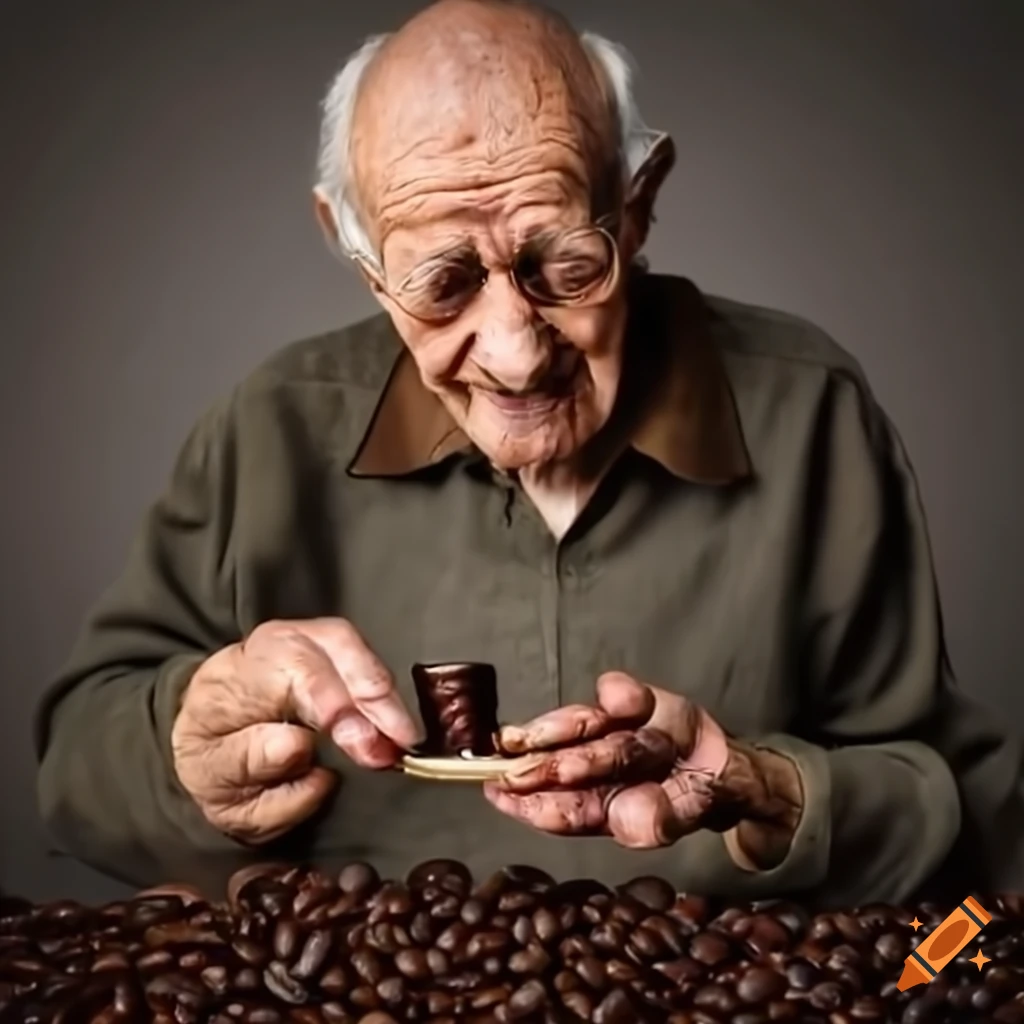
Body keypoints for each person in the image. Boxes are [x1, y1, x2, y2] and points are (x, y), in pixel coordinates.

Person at [34, 0, 1024, 907]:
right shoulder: (269, 426)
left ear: (635, 205)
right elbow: (78, 769)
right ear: (358, 251)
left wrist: (769, 791)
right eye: (442, 280)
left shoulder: (809, 410)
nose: (514, 352)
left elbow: (966, 844)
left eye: (564, 263)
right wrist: (186, 756)